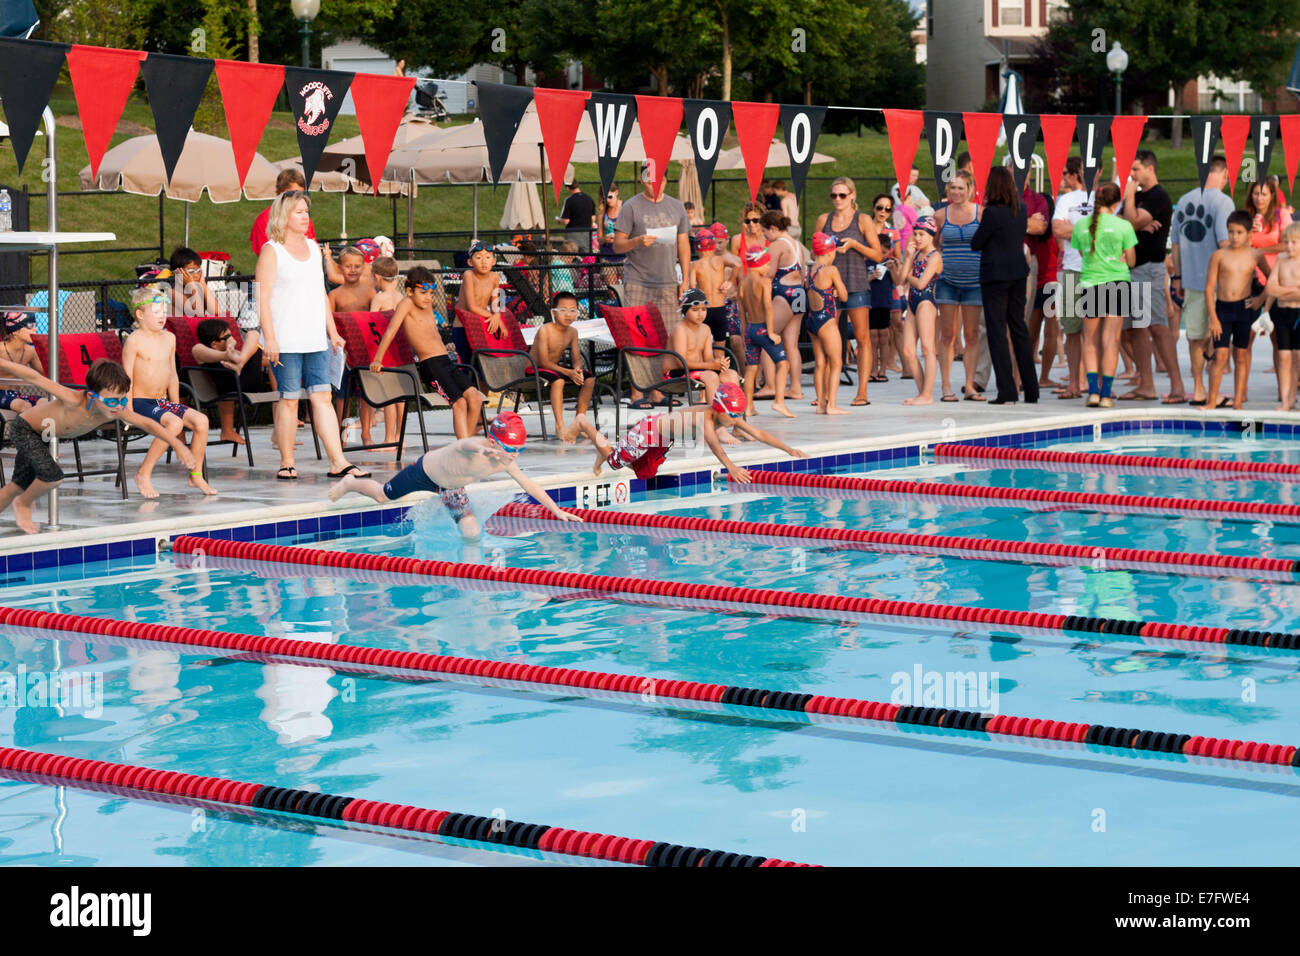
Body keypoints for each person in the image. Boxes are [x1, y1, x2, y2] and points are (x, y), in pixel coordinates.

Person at [0, 355, 194, 532]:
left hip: (45, 434)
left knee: (17, 485)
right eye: (111, 401)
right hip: (26, 429)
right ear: (93, 397)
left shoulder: (117, 409)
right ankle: (23, 504)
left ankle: (17, 500)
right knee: (52, 476)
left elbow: (149, 424)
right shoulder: (74, 399)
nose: (118, 406)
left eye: (122, 399)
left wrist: (179, 446)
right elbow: (34, 377)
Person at [328, 412, 580, 541]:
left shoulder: (505, 461)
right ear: (493, 441)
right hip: (423, 473)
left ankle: (470, 576)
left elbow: (528, 484)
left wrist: (556, 510)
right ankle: (351, 482)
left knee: (471, 530)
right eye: (511, 449)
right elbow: (464, 445)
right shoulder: (477, 446)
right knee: (383, 497)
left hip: (452, 488)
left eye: (519, 450)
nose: (514, 455)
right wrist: (481, 449)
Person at [256, 190, 365, 483]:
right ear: (285, 216)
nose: (306, 217)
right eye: (300, 212)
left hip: (315, 338)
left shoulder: (314, 248)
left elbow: (320, 295)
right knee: (289, 400)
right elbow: (262, 300)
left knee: (323, 398)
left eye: (307, 211)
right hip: (286, 339)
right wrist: (271, 340)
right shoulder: (272, 250)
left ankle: (338, 460)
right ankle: (287, 461)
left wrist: (333, 333)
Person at [582, 381, 806, 483]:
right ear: (720, 409)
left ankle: (604, 452)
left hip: (663, 439)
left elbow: (759, 433)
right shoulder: (705, 419)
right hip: (648, 431)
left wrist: (788, 449)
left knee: (645, 474)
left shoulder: (727, 417)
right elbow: (714, 445)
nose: (737, 420)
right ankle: (585, 425)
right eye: (734, 415)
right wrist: (731, 467)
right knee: (615, 462)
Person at [121, 285, 215, 497]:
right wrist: (128, 411)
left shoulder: (169, 338)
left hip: (162, 403)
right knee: (174, 423)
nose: (162, 316)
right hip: (140, 402)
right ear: (140, 314)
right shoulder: (134, 341)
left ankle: (195, 474)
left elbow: (172, 374)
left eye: (164, 311)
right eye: (156, 312)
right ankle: (143, 473)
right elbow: (127, 378)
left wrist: (177, 406)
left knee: (201, 421)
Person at [371, 265, 484, 440]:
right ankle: (464, 447)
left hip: (446, 361)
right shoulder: (406, 304)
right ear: (409, 291)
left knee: (475, 398)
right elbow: (391, 331)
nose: (428, 298)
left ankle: (465, 443)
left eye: (431, 294)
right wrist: (378, 359)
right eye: (423, 293)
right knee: (459, 403)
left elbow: (432, 332)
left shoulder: (428, 306)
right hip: (430, 366)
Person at [814, 176, 884, 406]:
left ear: (852, 195)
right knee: (827, 340)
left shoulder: (862, 220)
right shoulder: (824, 219)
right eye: (833, 195)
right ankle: (824, 393)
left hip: (855, 284)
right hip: (828, 287)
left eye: (842, 195)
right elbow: (816, 252)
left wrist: (855, 245)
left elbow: (877, 254)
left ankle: (862, 391)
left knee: (862, 338)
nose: (837, 199)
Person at [1170, 156, 1236, 406]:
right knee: (1218, 339)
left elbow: (1175, 245)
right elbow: (1225, 243)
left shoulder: (1185, 200)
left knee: (1195, 336)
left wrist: (1177, 277)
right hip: (1220, 283)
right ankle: (1214, 393)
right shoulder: (1223, 201)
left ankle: (1198, 390)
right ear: (1225, 174)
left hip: (1191, 279)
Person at [1118, 150, 1181, 404]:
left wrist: (1130, 202)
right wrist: (1136, 221)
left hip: (1149, 268)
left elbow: (1129, 221)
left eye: (1135, 170)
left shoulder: (1158, 196)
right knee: (1134, 329)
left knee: (1156, 326)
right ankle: (1146, 385)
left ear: (1150, 169)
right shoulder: (1140, 197)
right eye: (1131, 171)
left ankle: (1177, 385)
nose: (1131, 175)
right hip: (1129, 269)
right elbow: (1122, 222)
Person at [971, 167, 1036, 405]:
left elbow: (976, 243)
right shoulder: (1021, 210)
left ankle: (1007, 390)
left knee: (997, 332)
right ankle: (1031, 388)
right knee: (1018, 329)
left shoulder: (991, 214)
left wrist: (980, 220)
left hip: (995, 277)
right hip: (1018, 273)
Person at [1071, 181, 1137, 408]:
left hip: (1091, 283)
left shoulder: (1080, 226)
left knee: (1090, 340)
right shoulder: (1123, 226)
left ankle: (1093, 392)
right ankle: (1107, 395)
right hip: (1118, 283)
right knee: (1112, 341)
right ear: (1117, 203)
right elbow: (1132, 260)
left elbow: (1082, 253)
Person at [613, 164, 692, 337]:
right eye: (650, 181)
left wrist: (685, 279)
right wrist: (637, 241)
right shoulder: (631, 206)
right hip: (637, 282)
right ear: (642, 180)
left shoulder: (677, 207)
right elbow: (617, 245)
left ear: (666, 180)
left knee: (672, 336)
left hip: (668, 281)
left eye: (660, 181)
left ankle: (669, 365)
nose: (655, 186)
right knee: (638, 336)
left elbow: (684, 244)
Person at [1205, 211, 1268, 410]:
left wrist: (1260, 299)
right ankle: (1211, 401)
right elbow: (1209, 288)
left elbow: (1271, 278)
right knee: (1220, 355)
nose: (1234, 236)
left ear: (1249, 234)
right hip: (1222, 309)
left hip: (1244, 309)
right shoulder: (1218, 255)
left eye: (1239, 232)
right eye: (1231, 232)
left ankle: (1238, 401)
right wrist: (1213, 318)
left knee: (1241, 355)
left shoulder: (1255, 255)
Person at [934, 169, 984, 401]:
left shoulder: (980, 213)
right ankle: (945, 386)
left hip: (974, 282)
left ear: (970, 189)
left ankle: (970, 385)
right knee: (947, 335)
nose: (956, 192)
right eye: (952, 187)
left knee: (972, 334)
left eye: (960, 188)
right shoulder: (940, 215)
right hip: (948, 281)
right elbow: (936, 245)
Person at [249, 169, 345, 286]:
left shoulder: (305, 220)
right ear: (279, 193)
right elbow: (268, 262)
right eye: (291, 194)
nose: (297, 198)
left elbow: (313, 252)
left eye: (300, 194)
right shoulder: (264, 219)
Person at [1051, 157, 1094, 399]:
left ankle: (1093, 383)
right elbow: (1057, 229)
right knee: (1072, 330)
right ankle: (1074, 383)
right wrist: (1089, 231)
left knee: (1095, 332)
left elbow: (1111, 230)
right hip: (1072, 269)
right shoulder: (1066, 199)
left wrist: (1073, 230)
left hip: (1099, 272)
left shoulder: (1105, 196)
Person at [529, 291, 595, 442]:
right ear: (553, 312)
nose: (568, 315)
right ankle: (560, 426)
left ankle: (580, 421)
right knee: (558, 381)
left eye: (572, 311)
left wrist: (577, 370)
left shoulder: (573, 332)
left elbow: (576, 358)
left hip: (554, 368)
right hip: (534, 368)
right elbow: (544, 362)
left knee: (589, 379)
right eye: (563, 310)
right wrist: (569, 372)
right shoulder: (545, 330)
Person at [192, 317, 268, 445]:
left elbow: (260, 360)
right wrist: (227, 355)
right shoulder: (202, 351)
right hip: (231, 387)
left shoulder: (235, 353)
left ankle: (241, 363)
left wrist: (239, 357)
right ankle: (240, 363)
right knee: (252, 336)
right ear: (214, 344)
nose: (232, 339)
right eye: (227, 337)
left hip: (247, 382)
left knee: (253, 333)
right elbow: (197, 351)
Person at [737, 245, 793, 418]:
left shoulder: (743, 283)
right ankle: (779, 402)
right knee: (783, 364)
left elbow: (741, 310)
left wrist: (745, 330)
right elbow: (768, 308)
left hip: (750, 329)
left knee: (752, 368)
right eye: (766, 264)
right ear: (758, 263)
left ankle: (748, 407)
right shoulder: (764, 282)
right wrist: (770, 332)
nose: (768, 268)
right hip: (762, 329)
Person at [892, 216, 942, 405]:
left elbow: (921, 284)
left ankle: (927, 394)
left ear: (931, 236)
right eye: (915, 234)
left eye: (922, 234)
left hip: (926, 302)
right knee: (907, 351)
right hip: (912, 302)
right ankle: (922, 393)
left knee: (928, 349)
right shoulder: (917, 255)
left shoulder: (935, 256)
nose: (918, 238)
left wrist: (910, 276)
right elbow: (901, 280)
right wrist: (908, 258)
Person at [668, 287, 741, 413]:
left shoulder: (706, 329)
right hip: (677, 372)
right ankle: (714, 419)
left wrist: (719, 364)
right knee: (711, 376)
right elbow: (681, 362)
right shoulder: (680, 329)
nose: (700, 313)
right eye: (695, 310)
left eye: (703, 309)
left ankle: (735, 417)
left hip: (698, 370)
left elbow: (708, 359)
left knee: (731, 374)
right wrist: (711, 365)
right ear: (685, 311)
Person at [761, 210, 806, 403]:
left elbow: (769, 273)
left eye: (765, 232)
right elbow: (803, 275)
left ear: (772, 228)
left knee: (765, 337)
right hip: (798, 294)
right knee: (792, 346)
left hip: (784, 295)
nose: (764, 236)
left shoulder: (776, 245)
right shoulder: (797, 245)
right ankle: (795, 387)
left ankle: (770, 385)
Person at [1022, 182, 1060, 390]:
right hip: (1052, 284)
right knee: (1052, 334)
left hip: (1036, 284)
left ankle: (1023, 374)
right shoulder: (1054, 233)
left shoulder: (1034, 235)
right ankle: (1044, 376)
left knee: (1030, 334)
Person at [805, 233, 849, 415]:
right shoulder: (831, 270)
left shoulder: (811, 271)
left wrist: (832, 292)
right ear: (830, 252)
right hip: (827, 321)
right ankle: (832, 405)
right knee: (837, 362)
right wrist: (837, 292)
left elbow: (818, 292)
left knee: (820, 363)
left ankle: (821, 404)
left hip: (812, 320)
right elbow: (845, 296)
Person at [692, 227, 744, 366]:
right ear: (713, 245)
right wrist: (729, 282)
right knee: (720, 351)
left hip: (704, 310)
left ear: (696, 248)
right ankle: (722, 381)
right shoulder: (720, 261)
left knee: (702, 349)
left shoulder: (695, 265)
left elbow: (691, 287)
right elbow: (737, 265)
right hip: (720, 310)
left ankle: (706, 382)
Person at [1265, 222, 1300, 410]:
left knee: (1298, 358)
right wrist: (1293, 289)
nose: (1289, 246)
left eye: (1294, 242)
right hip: (1283, 314)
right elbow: (1270, 288)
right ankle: (1287, 401)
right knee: (1284, 358)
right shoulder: (1280, 259)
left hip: (1298, 315)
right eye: (1286, 242)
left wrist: (1282, 290)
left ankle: (1294, 396)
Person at [454, 239, 505, 365]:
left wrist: (498, 316)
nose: (483, 261)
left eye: (488, 257)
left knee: (483, 366)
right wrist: (494, 317)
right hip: (463, 326)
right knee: (468, 365)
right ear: (470, 262)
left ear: (493, 261)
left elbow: (495, 303)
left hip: (480, 324)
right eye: (478, 257)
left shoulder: (495, 277)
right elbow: (472, 307)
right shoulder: (468, 275)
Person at [867, 193, 899, 383]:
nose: (883, 212)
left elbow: (897, 262)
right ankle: (872, 368)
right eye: (880, 207)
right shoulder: (865, 227)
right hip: (870, 299)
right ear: (873, 208)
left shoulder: (892, 233)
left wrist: (893, 265)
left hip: (885, 298)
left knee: (885, 334)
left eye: (887, 209)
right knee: (872, 336)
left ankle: (884, 368)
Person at [0, 312, 44, 413]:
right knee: (23, 405)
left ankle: (39, 429)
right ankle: (18, 429)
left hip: (16, 394)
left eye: (35, 325)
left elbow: (47, 374)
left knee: (45, 402)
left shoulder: (30, 351)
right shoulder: (1, 349)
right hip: (1, 393)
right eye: (30, 326)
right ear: (15, 331)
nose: (35, 329)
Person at [168, 247, 219, 317]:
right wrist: (191, 285)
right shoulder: (173, 292)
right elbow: (198, 313)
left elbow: (216, 311)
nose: (196, 275)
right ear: (177, 272)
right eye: (191, 271)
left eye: (198, 271)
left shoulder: (198, 288)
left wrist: (203, 284)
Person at [328, 247, 375, 313]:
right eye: (348, 266)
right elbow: (330, 320)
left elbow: (376, 318)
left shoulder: (370, 292)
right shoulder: (334, 295)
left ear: (363, 267)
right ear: (340, 268)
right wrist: (327, 257)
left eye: (357, 266)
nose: (353, 270)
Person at [558, 181, 596, 250]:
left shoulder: (569, 200)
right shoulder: (589, 199)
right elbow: (593, 218)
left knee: (571, 255)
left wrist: (559, 220)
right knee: (586, 257)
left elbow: (566, 221)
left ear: (567, 188)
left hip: (572, 234)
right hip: (587, 233)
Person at [598, 185, 623, 259]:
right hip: (607, 257)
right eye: (604, 198)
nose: (607, 200)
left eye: (610, 197)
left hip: (624, 257)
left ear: (616, 192)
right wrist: (605, 239)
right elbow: (599, 238)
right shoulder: (602, 212)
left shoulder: (626, 207)